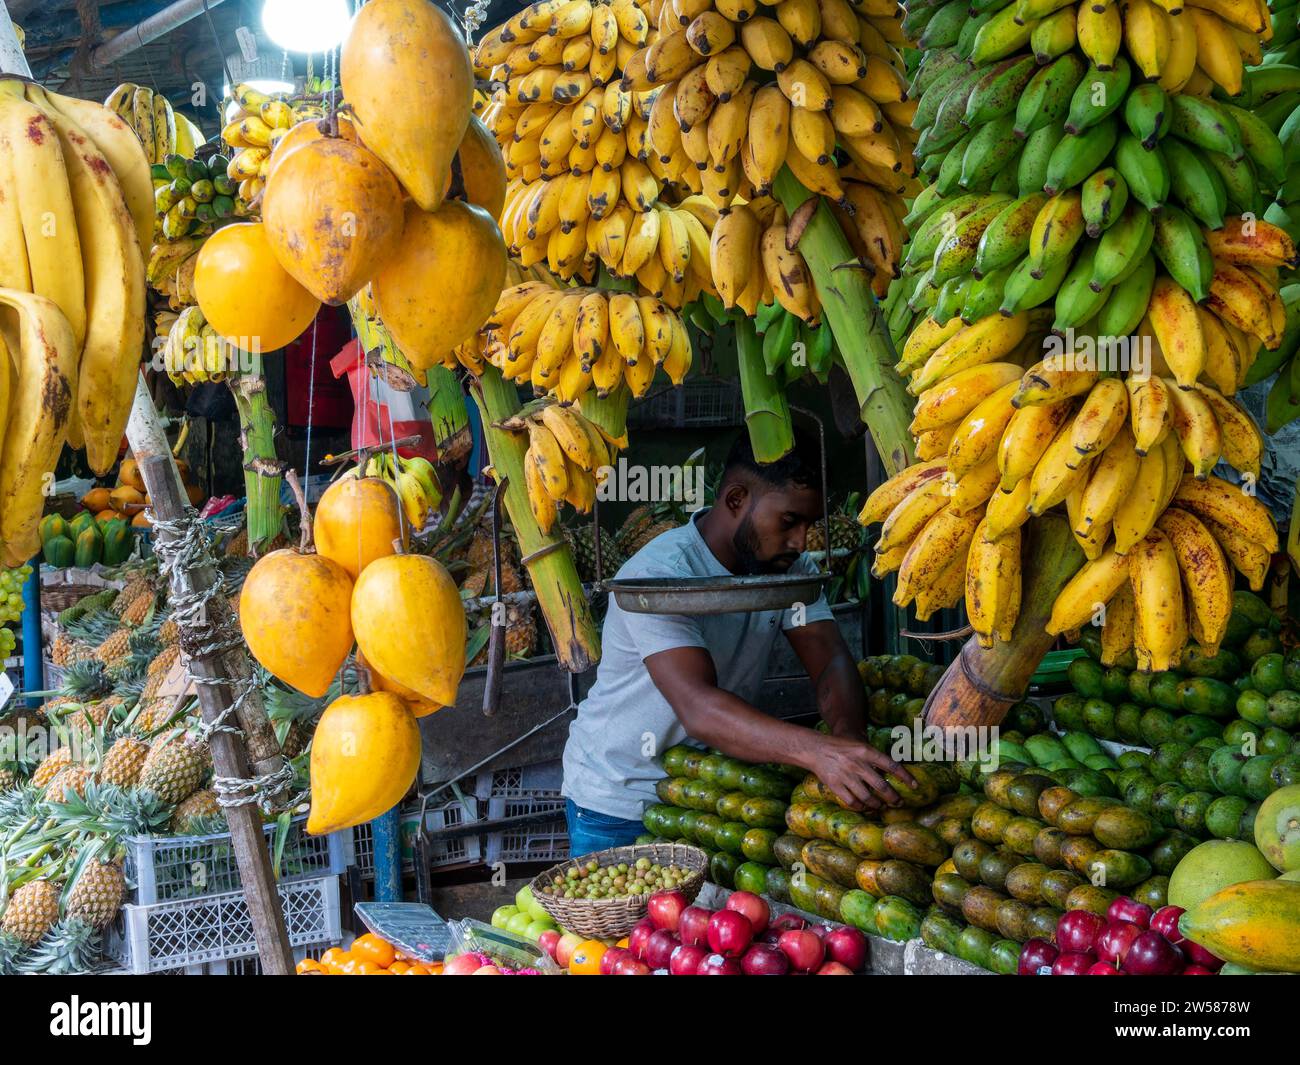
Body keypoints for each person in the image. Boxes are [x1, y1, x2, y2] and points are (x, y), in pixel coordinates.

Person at [561, 431, 915, 857]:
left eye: (808, 525)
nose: (801, 542)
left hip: (712, 791)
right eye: (789, 522)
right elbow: (699, 708)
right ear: (735, 500)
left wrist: (847, 744)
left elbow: (829, 661)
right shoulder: (659, 575)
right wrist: (819, 752)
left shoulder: (789, 568)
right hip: (622, 800)